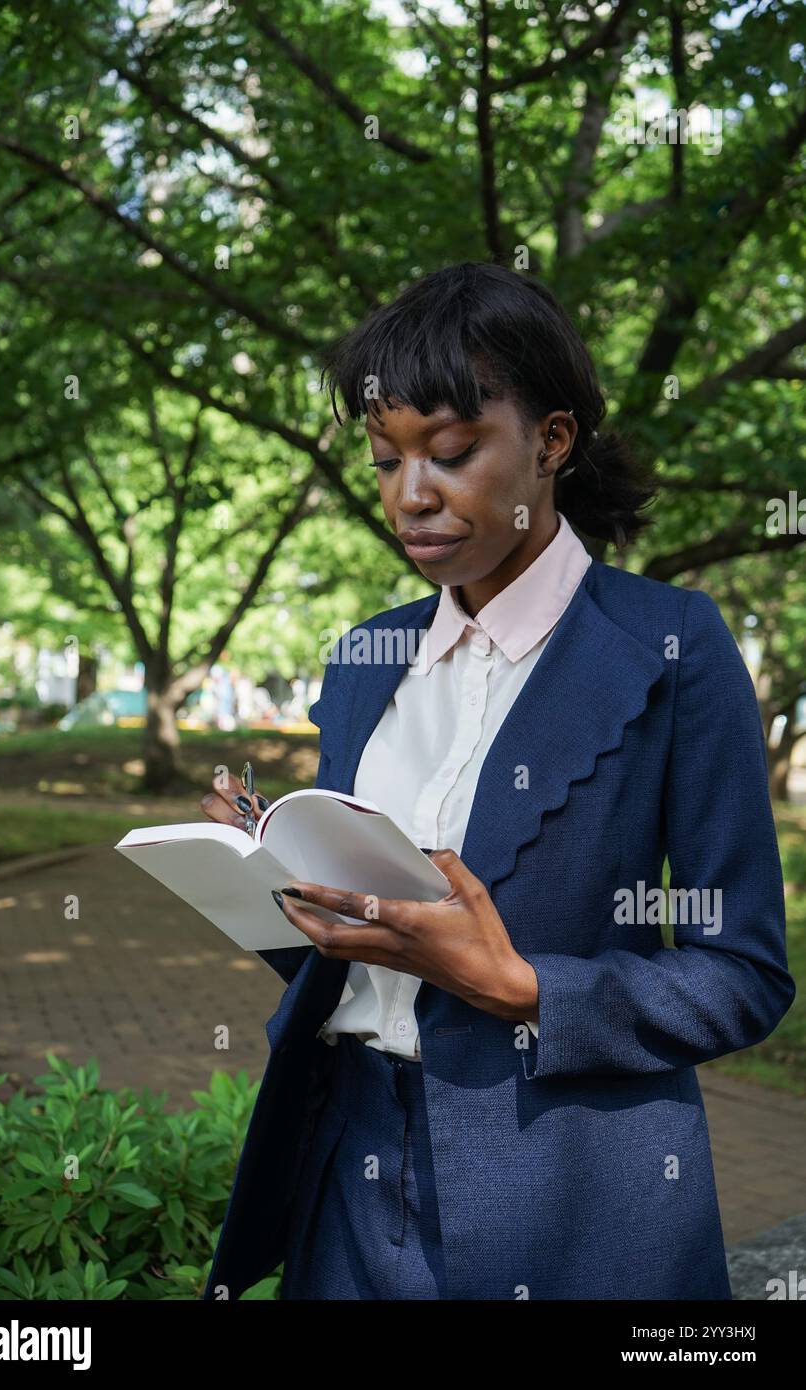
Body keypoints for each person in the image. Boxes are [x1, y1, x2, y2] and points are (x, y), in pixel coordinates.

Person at [200, 262, 795, 1301]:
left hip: (565, 1204)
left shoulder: (669, 644)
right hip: (348, 1175)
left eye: (450, 452)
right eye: (386, 461)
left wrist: (522, 987)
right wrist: (267, 886)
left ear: (550, 442)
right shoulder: (363, 660)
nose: (410, 494)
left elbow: (743, 975)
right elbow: (353, 960)